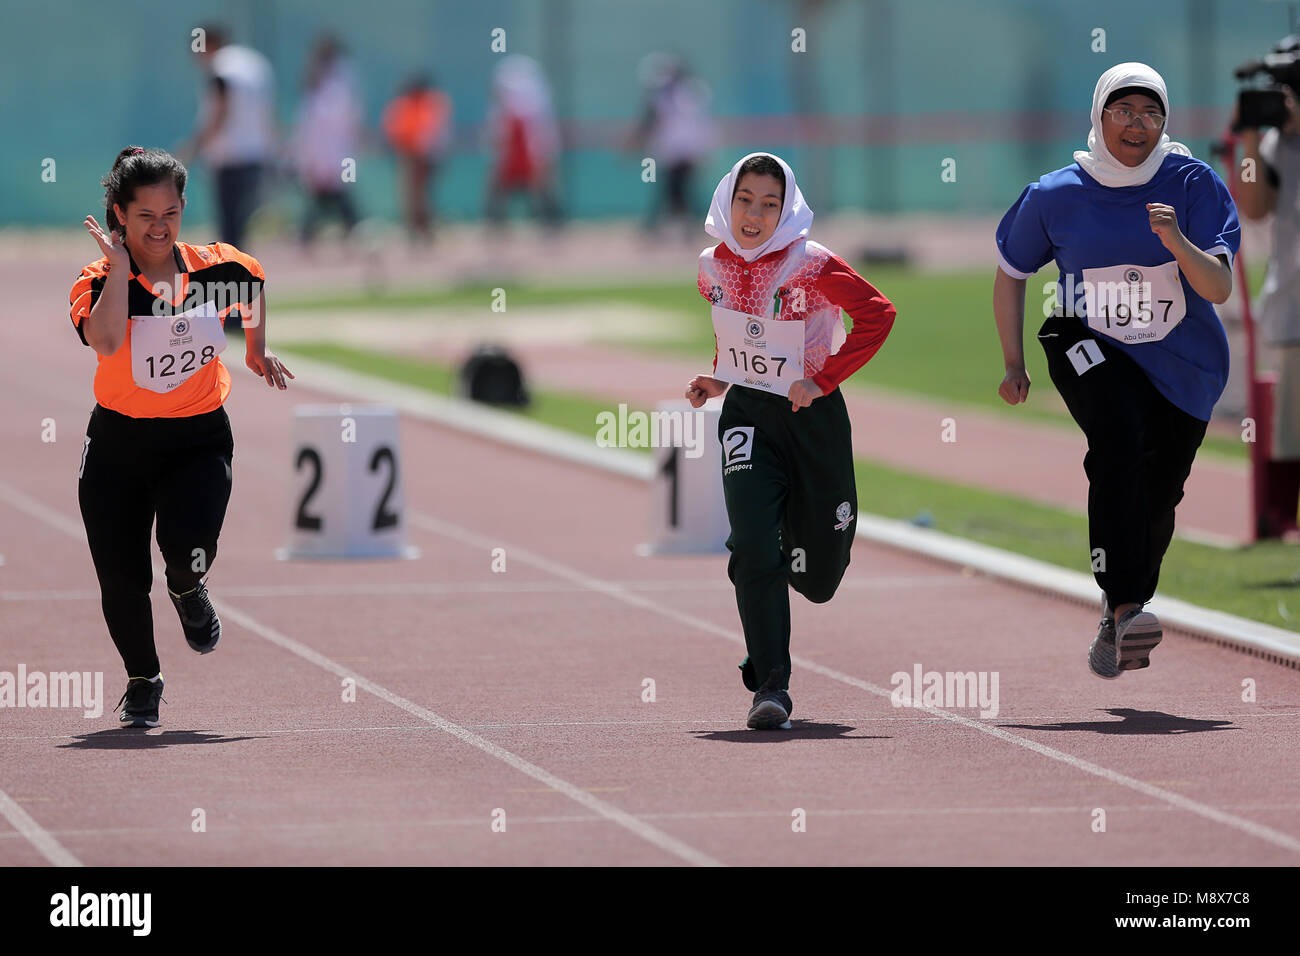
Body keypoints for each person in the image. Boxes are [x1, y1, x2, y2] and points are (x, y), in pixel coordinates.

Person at [992, 63, 1240, 679]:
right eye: (1124, 111)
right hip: (1086, 340)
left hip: (1184, 362)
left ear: (1166, 122)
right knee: (1118, 441)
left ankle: (1119, 613)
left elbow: (1219, 287)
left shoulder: (1193, 183)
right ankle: (1127, 600)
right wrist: (1014, 362)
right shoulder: (1054, 194)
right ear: (1099, 115)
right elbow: (1011, 273)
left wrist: (1178, 241)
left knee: (1159, 495)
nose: (1138, 125)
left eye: (1151, 113)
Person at [70, 147, 294, 728]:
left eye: (170, 212)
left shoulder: (216, 269)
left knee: (186, 544)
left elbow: (253, 286)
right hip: (119, 446)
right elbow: (108, 343)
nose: (160, 227)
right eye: (145, 216)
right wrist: (122, 271)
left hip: (197, 437)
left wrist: (255, 348)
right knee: (120, 577)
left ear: (183, 208)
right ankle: (143, 679)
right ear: (120, 214)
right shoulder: (98, 282)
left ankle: (189, 587)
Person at [685, 153, 897, 729]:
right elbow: (741, 339)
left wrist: (821, 378)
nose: (754, 215)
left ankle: (784, 573)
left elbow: (878, 314)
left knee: (820, 575)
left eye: (769, 204)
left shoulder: (815, 263)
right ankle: (771, 683)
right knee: (753, 544)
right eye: (745, 201)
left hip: (813, 418)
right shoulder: (711, 268)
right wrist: (716, 379)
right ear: (727, 201)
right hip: (748, 417)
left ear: (787, 209)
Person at [1236, 83, 1300, 532]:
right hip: (1292, 306)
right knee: (1291, 437)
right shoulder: (1278, 143)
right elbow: (1254, 208)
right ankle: (1281, 523)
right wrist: (1252, 141)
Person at [184, 25, 276, 252]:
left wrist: (193, 148)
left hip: (230, 158)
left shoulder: (220, 68)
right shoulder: (255, 64)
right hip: (256, 154)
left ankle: (234, 281)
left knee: (230, 230)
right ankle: (243, 278)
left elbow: (220, 112)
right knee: (241, 227)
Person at [631, 53, 714, 240]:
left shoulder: (670, 96)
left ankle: (659, 227)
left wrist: (637, 140)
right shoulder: (692, 92)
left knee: (676, 189)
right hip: (681, 150)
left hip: (679, 151)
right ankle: (675, 227)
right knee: (677, 189)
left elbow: (651, 121)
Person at [293, 34, 362, 248]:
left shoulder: (340, 83)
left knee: (335, 193)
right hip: (322, 153)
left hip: (335, 153)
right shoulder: (319, 86)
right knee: (323, 195)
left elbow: (343, 122)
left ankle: (353, 229)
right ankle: (313, 234)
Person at [484, 55, 561, 230]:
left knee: (540, 187)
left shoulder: (528, 110)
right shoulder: (506, 110)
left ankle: (551, 223)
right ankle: (496, 224)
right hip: (515, 156)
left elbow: (542, 136)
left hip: (527, 156)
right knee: (501, 189)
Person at [382, 74, 453, 244]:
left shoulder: (430, 104)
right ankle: (418, 229)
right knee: (414, 196)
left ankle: (422, 230)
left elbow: (429, 135)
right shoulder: (410, 105)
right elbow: (396, 132)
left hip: (422, 157)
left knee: (418, 197)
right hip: (411, 155)